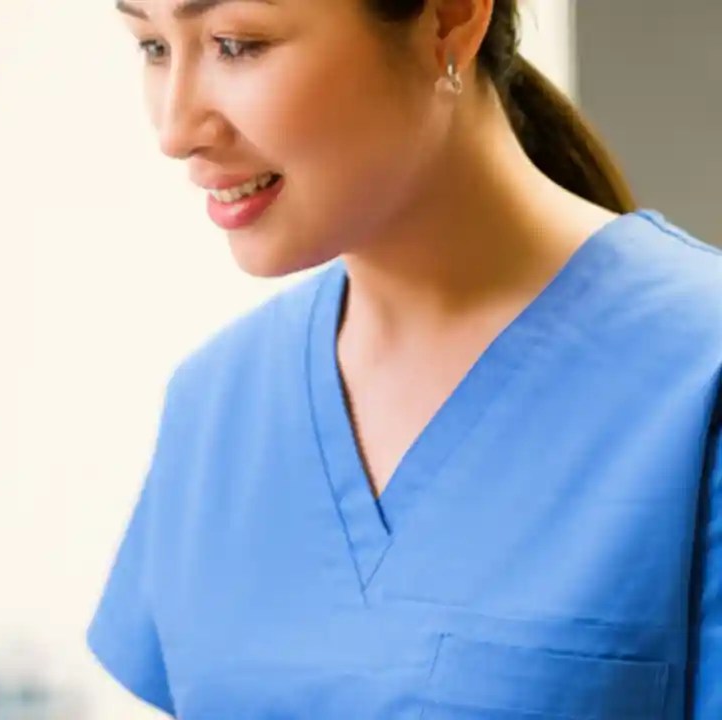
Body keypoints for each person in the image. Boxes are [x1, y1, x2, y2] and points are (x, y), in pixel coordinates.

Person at [85, 0, 722, 717]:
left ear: (449, 18)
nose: (175, 131)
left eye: (236, 45)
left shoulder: (697, 373)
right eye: (151, 46)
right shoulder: (216, 406)